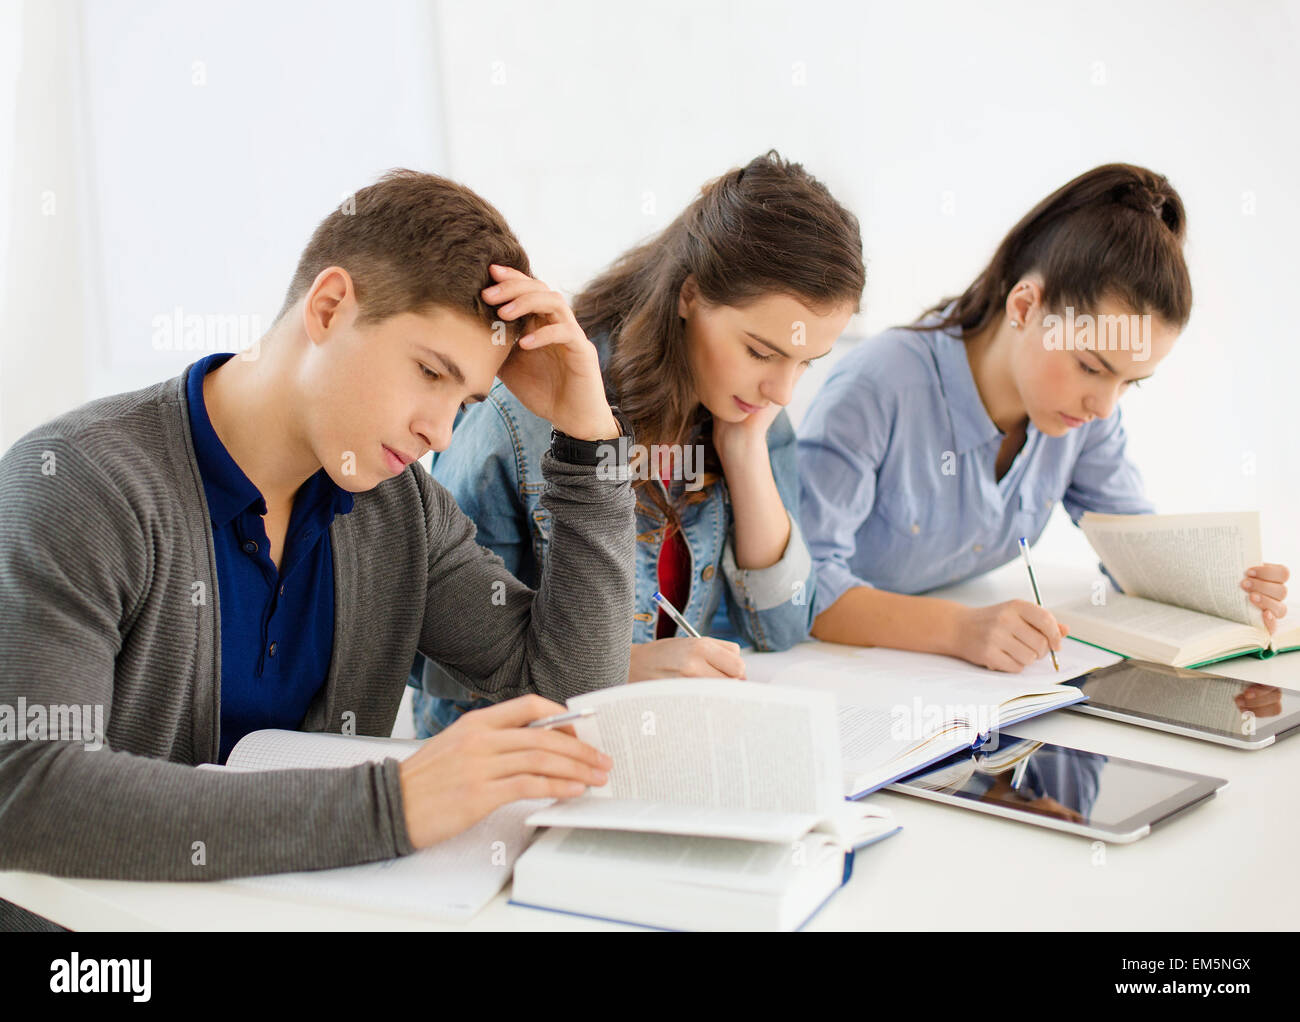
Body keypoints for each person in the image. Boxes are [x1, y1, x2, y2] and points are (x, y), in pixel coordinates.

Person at [0, 169, 636, 930]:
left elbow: (567, 690)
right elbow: (28, 791)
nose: (440, 430)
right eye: (430, 372)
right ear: (330, 306)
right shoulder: (79, 483)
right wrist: (390, 805)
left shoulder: (399, 510)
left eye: (464, 400)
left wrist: (589, 443)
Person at [411, 151, 865, 736]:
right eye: (761, 351)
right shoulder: (523, 412)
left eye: (807, 363)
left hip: (664, 740)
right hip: (521, 751)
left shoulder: (750, 409)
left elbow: (782, 624)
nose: (782, 389)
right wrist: (613, 671)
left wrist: (746, 452)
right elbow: (436, 664)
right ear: (690, 296)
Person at [798, 163, 1288, 672]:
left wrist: (1227, 588)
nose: (1104, 406)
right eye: (1090, 366)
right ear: (1026, 307)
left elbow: (1133, 547)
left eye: (1128, 382)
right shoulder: (879, 386)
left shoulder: (1084, 416)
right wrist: (961, 629)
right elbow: (799, 589)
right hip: (825, 675)